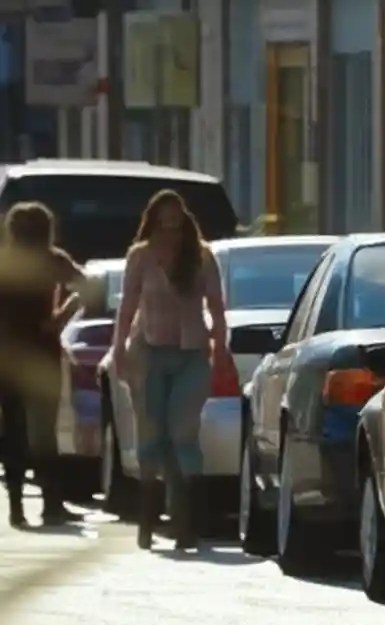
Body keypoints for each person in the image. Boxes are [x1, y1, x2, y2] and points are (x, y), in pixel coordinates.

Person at [110, 190, 232, 551]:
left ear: (185, 224)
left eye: (176, 225)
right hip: (148, 351)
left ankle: (186, 521)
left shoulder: (203, 256)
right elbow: (128, 304)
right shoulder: (140, 256)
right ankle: (148, 520)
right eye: (163, 225)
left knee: (182, 431)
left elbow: (217, 306)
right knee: (151, 432)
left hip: (191, 354)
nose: (170, 233)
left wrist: (221, 347)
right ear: (153, 223)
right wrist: (117, 348)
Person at [0, 202, 84, 527]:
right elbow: (86, 288)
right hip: (43, 350)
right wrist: (60, 317)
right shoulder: (53, 260)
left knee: (14, 430)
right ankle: (51, 504)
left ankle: (17, 507)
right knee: (44, 432)